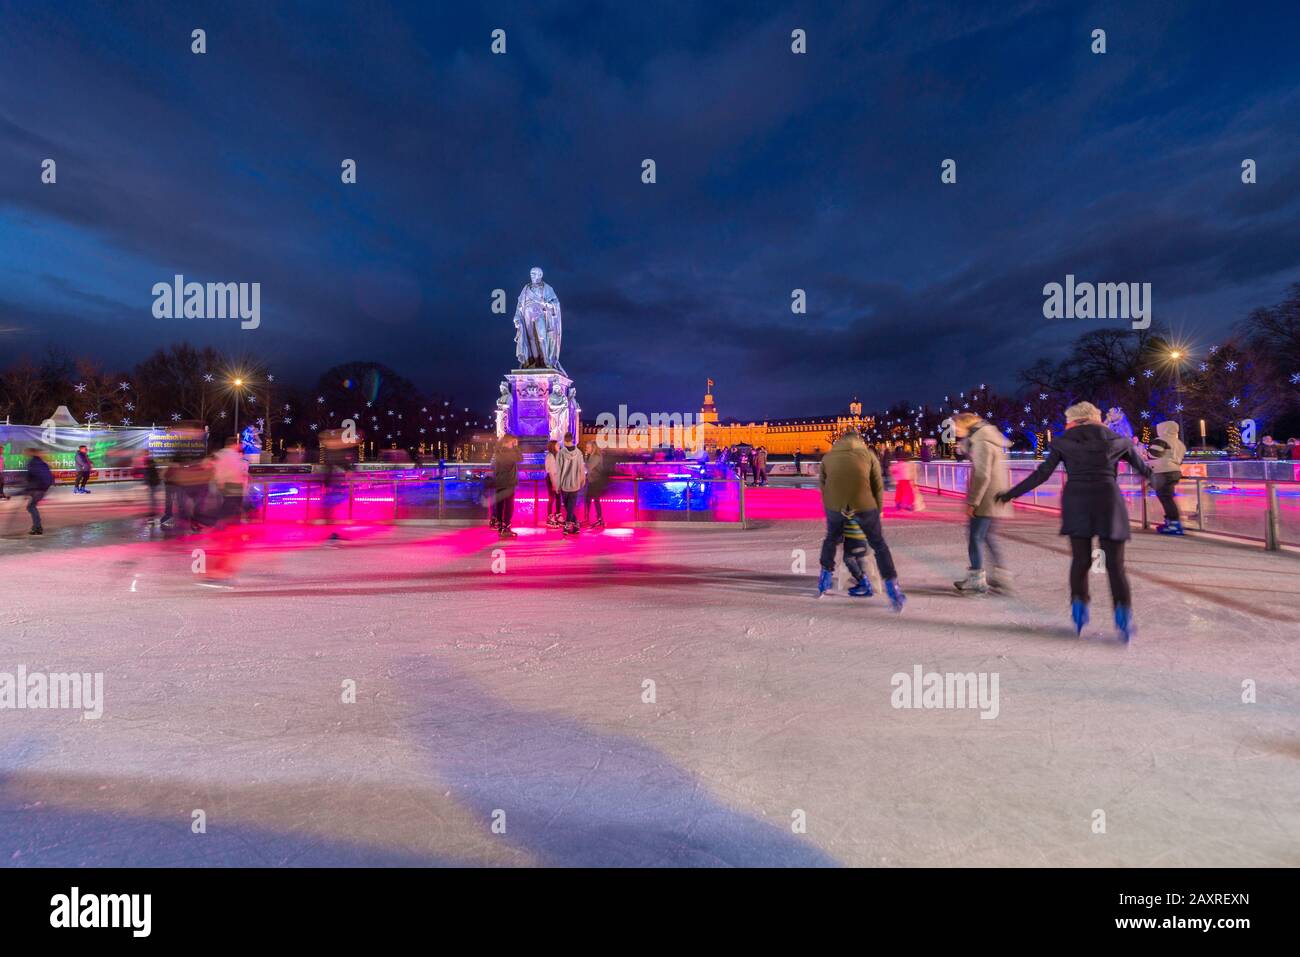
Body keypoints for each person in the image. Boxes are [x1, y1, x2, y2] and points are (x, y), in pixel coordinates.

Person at [996, 401, 1154, 641]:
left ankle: (1079, 608)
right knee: (1115, 565)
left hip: (1076, 502)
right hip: (1108, 502)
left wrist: (1010, 494)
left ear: (1072, 419)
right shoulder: (1118, 441)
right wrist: (1164, 483)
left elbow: (1042, 474)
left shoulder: (1063, 442)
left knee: (1080, 560)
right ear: (1096, 418)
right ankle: (1123, 614)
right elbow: (1145, 470)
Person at [816, 432, 905, 611]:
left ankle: (824, 578)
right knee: (879, 545)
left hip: (835, 504)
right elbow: (877, 485)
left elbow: (823, 485)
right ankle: (892, 586)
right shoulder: (868, 455)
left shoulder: (828, 457)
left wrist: (831, 508)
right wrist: (878, 509)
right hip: (863, 503)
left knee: (831, 540)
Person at [952, 413, 1013, 595]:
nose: (954, 430)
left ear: (966, 424)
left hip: (986, 498)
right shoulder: (986, 439)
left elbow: (982, 475)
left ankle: (977, 580)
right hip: (995, 496)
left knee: (975, 537)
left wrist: (973, 502)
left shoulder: (981, 442)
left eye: (956, 426)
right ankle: (1002, 577)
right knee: (986, 537)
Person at [1146, 420, 1186, 535]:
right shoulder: (1179, 443)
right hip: (1175, 471)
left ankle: (1174, 524)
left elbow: (1153, 454)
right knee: (1167, 496)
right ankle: (1171, 521)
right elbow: (1180, 459)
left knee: (1166, 497)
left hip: (1163, 472)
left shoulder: (1161, 440)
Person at [490, 434, 522, 538]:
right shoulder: (511, 453)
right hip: (509, 483)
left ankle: (500, 526)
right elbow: (520, 458)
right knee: (509, 505)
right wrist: (516, 447)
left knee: (500, 505)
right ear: (509, 442)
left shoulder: (497, 452)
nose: (513, 444)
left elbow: (492, 465)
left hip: (499, 482)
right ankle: (506, 527)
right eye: (512, 442)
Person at [554, 431, 586, 535]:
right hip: (575, 483)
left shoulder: (561, 453)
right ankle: (575, 524)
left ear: (564, 439)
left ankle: (568, 525)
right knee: (570, 506)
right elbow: (582, 468)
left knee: (568, 506)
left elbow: (558, 470)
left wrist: (557, 485)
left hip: (565, 484)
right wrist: (582, 480)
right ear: (572, 439)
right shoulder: (579, 453)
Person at [22, 448, 53, 535]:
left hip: (37, 489)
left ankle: (37, 527)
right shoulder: (42, 463)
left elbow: (30, 476)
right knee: (31, 506)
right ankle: (37, 526)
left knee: (31, 507)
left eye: (27, 452)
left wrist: (28, 489)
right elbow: (49, 477)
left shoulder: (33, 462)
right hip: (40, 488)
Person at [583, 440, 609, 528]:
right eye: (586, 447)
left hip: (597, 481)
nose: (586, 449)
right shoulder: (592, 456)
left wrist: (585, 458)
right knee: (588, 499)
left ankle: (599, 519)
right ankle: (589, 518)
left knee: (595, 499)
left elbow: (588, 467)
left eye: (588, 447)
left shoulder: (596, 456)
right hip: (592, 481)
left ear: (593, 448)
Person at [544, 439, 562, 527]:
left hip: (557, 478)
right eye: (557, 445)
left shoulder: (557, 455)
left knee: (558, 497)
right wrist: (554, 484)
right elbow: (551, 472)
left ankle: (558, 515)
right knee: (551, 498)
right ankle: (549, 517)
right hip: (551, 479)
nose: (559, 446)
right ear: (553, 446)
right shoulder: (550, 456)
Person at [142, 452, 161, 518]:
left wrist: (147, 483)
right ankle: (154, 511)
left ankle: (153, 511)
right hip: (153, 484)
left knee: (152, 498)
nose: (144, 464)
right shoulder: (152, 468)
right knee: (153, 498)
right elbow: (151, 477)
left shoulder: (150, 469)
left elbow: (149, 477)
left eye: (145, 463)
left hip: (153, 484)